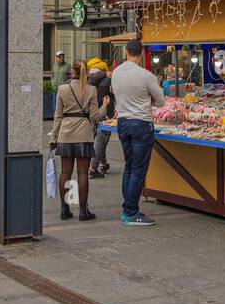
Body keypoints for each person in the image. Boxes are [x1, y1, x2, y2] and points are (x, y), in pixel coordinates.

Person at [110, 39, 164, 227]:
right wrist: (147, 99)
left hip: (123, 122)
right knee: (139, 169)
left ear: (126, 52)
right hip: (141, 123)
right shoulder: (145, 75)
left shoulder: (116, 73)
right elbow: (161, 101)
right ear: (141, 54)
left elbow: (115, 93)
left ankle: (128, 206)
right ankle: (131, 212)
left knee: (129, 166)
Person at [48, 61, 101, 222]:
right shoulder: (91, 89)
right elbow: (95, 116)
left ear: (72, 72)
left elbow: (58, 116)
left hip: (65, 133)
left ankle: (65, 209)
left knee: (66, 172)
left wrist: (53, 138)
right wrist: (105, 107)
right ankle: (83, 212)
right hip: (84, 134)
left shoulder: (62, 89)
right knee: (82, 173)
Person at [87, 57, 113, 179]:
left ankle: (103, 163)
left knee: (100, 140)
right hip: (105, 113)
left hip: (91, 113)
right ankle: (93, 167)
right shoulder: (108, 80)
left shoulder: (87, 80)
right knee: (101, 140)